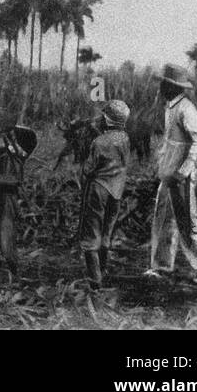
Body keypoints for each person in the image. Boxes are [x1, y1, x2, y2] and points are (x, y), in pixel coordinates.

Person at [145, 64, 197, 284]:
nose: (161, 87)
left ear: (173, 86)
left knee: (187, 221)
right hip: (169, 173)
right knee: (163, 218)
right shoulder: (171, 106)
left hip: (180, 177)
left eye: (165, 83)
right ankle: (162, 266)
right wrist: (161, 167)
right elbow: (169, 143)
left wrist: (182, 172)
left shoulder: (186, 109)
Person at [79, 99, 131, 289]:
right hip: (117, 190)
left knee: (91, 234)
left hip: (98, 189)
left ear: (107, 120)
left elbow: (88, 169)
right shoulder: (125, 138)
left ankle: (95, 281)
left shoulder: (99, 142)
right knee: (107, 232)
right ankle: (103, 269)